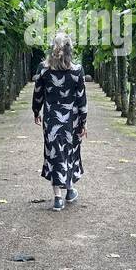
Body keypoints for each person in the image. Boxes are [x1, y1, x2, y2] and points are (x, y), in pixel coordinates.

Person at [32, 32, 88, 211]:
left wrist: (36, 111)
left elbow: (38, 93)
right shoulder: (77, 70)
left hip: (51, 119)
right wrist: (83, 122)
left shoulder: (44, 69)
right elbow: (81, 99)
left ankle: (58, 198)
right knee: (70, 152)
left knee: (54, 153)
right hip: (71, 120)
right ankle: (70, 189)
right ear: (70, 49)